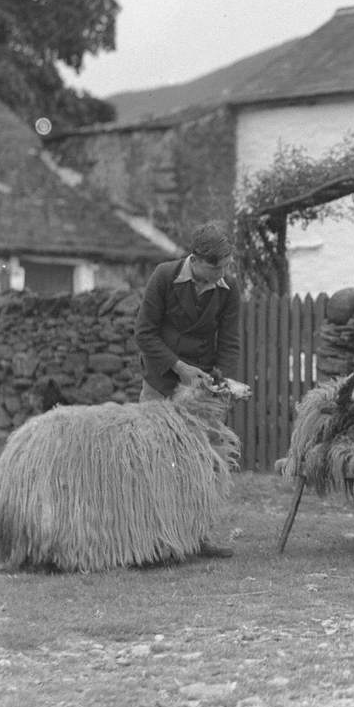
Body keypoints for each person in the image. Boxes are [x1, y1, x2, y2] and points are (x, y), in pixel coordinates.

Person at [134, 221, 241, 558]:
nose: (222, 273)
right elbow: (144, 333)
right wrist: (178, 368)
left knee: (203, 464)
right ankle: (150, 541)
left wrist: (221, 383)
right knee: (151, 460)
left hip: (202, 392)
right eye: (215, 267)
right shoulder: (164, 277)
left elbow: (229, 342)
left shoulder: (228, 288)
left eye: (225, 265)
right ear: (195, 260)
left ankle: (197, 538)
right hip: (161, 382)